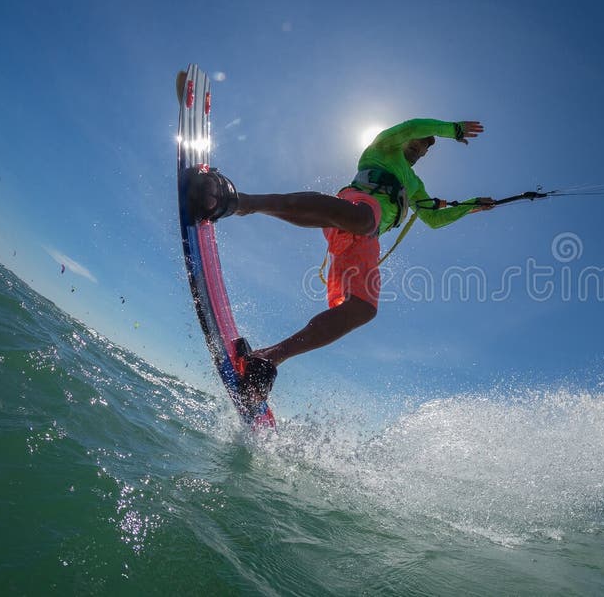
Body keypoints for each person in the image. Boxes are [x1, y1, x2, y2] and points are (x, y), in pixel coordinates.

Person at [187, 118, 491, 405]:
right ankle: (242, 203)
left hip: (367, 239)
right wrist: (454, 129)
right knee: (363, 217)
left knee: (364, 309)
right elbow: (414, 125)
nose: (418, 150)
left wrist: (470, 206)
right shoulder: (384, 147)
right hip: (354, 208)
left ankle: (268, 358)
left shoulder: (414, 185)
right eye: (416, 143)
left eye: (423, 150)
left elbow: (434, 219)